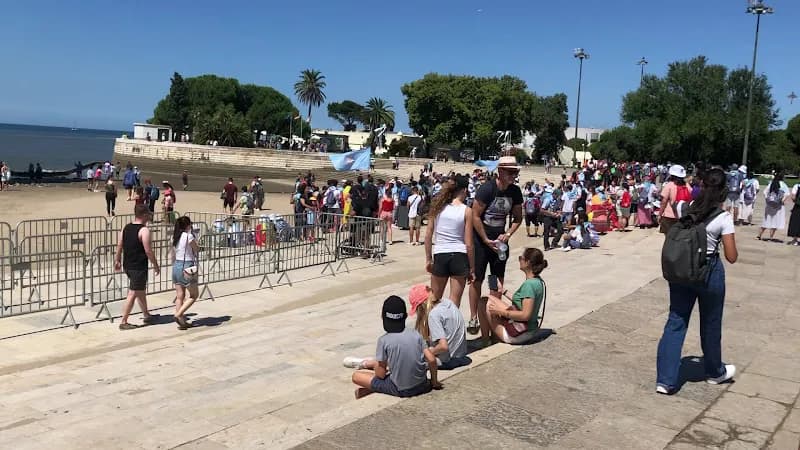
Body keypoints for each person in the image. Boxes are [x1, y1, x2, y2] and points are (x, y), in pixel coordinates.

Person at [656, 167, 738, 394]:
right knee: (711, 322)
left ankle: (665, 380)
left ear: (701, 186)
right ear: (723, 191)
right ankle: (714, 371)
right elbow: (732, 257)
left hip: (682, 271)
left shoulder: (684, 208)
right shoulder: (723, 218)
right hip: (708, 272)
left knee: (676, 321)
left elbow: (675, 205)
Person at [343, 296, 441, 399]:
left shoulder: (383, 340)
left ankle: (372, 387)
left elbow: (380, 375)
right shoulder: (416, 334)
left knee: (356, 376)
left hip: (400, 389)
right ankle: (370, 389)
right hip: (423, 385)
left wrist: (377, 366)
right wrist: (434, 381)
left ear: (382, 317)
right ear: (405, 316)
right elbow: (431, 359)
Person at [468, 156, 523, 335]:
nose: (513, 175)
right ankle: (474, 316)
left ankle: (493, 316)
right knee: (477, 279)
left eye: (515, 172)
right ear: (500, 171)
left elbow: (518, 217)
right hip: (481, 242)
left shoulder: (515, 192)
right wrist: (485, 239)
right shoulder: (487, 189)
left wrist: (508, 234)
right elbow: (475, 215)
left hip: (499, 243)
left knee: (496, 280)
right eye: (510, 172)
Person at [477, 247, 547, 344]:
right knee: (486, 299)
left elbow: (525, 315)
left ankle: (486, 340)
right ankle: (489, 339)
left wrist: (500, 311)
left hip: (519, 333)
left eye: (521, 258)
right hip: (529, 329)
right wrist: (503, 290)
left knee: (485, 304)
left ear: (528, 262)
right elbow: (522, 301)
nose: (519, 260)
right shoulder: (537, 281)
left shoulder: (529, 285)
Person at [424, 174, 474, 307]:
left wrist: (428, 259)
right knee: (454, 301)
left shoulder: (437, 207)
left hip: (441, 253)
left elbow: (428, 235)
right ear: (464, 190)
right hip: (459, 254)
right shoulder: (467, 211)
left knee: (434, 299)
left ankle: (431, 320)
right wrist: (472, 267)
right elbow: (469, 243)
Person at [113, 204, 160, 330]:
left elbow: (119, 245)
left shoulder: (126, 227)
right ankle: (124, 321)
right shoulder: (144, 230)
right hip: (138, 266)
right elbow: (148, 251)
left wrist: (117, 259)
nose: (150, 216)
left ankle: (146, 315)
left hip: (128, 264)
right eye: (148, 214)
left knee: (140, 291)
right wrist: (156, 265)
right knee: (133, 292)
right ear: (144, 215)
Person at [409, 284, 471, 370]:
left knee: (411, 361)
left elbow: (443, 346)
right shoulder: (448, 303)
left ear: (422, 306)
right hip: (461, 356)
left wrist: (429, 352)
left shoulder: (434, 315)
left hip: (448, 361)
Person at [170, 216, 200, 330]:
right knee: (194, 295)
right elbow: (196, 249)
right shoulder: (188, 236)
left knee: (180, 296)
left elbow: (173, 253)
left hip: (176, 265)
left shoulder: (175, 237)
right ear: (188, 225)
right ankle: (178, 314)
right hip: (187, 266)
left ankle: (181, 321)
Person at [757, 172, 789, 242]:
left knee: (766, 220)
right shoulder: (783, 185)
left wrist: (767, 200)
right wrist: (781, 201)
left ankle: (759, 235)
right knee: (775, 221)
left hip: (769, 204)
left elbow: (765, 192)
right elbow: (787, 194)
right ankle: (770, 237)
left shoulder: (771, 183)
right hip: (778, 206)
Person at [659, 165, 690, 235]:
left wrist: (660, 214)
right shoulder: (687, 185)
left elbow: (664, 201)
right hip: (683, 215)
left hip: (669, 216)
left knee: (669, 237)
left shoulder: (669, 185)